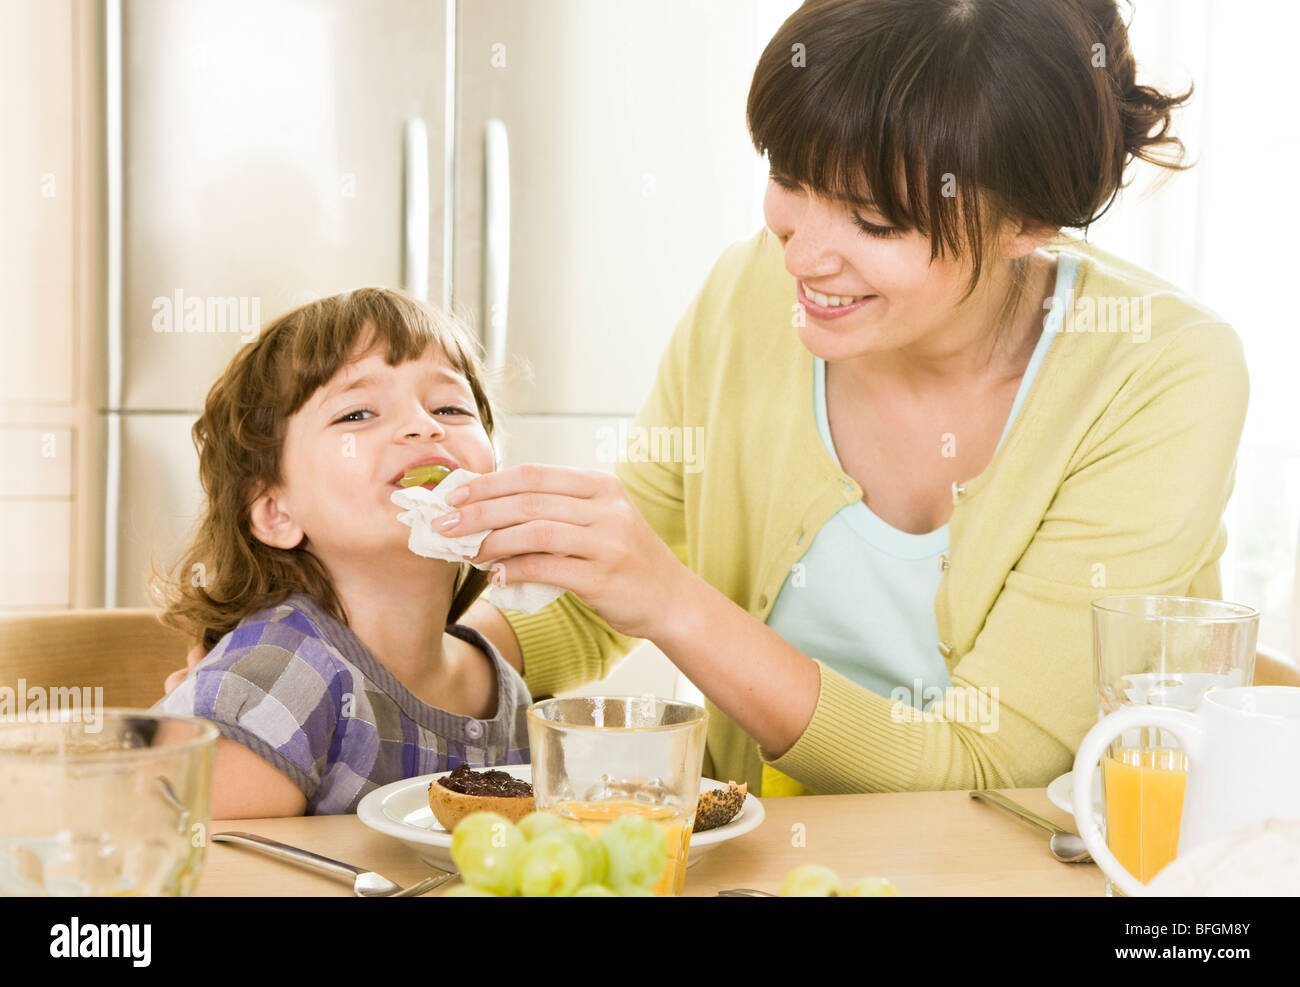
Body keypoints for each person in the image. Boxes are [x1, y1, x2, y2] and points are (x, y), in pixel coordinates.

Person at [438, 0, 1248, 796]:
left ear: (1028, 224)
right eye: (790, 178)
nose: (804, 258)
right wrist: (430, 666)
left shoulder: (1163, 373)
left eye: (873, 221)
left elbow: (988, 768)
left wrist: (675, 604)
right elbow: (604, 603)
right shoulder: (749, 291)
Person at [153, 289, 531, 817]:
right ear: (276, 512)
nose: (426, 425)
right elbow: (219, 874)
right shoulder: (283, 674)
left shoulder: (499, 686)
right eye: (356, 415)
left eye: (450, 406)